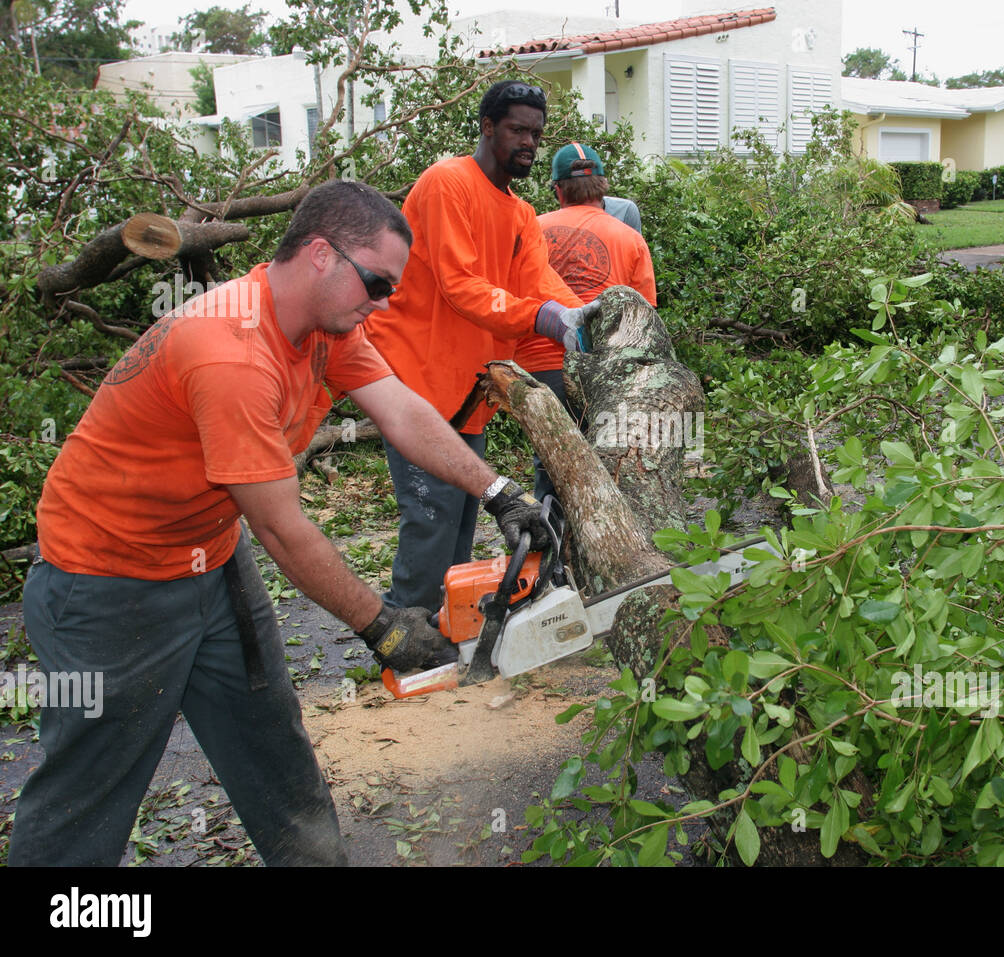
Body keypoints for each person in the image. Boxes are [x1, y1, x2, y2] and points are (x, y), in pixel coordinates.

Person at [10, 179, 549, 866]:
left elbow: (402, 409)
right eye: (378, 284)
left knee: (271, 743)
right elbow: (284, 529)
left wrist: (500, 491)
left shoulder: (325, 326)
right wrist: (383, 628)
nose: (384, 303)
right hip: (110, 583)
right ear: (321, 255)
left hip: (210, 556)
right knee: (85, 798)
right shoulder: (231, 352)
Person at [363, 81, 598, 611]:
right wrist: (542, 317)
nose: (529, 143)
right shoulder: (449, 183)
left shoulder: (520, 213)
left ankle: (447, 625)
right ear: (488, 127)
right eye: (517, 129)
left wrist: (584, 316)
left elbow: (540, 284)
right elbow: (459, 284)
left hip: (468, 391)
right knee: (431, 518)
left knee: (464, 513)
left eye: (537, 133)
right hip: (414, 382)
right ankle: (404, 635)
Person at [513, 142, 657, 500]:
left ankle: (548, 551)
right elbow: (643, 318)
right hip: (604, 371)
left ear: (558, 189)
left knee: (551, 465)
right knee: (605, 462)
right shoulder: (631, 239)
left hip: (541, 367)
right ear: (603, 187)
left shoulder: (530, 230)